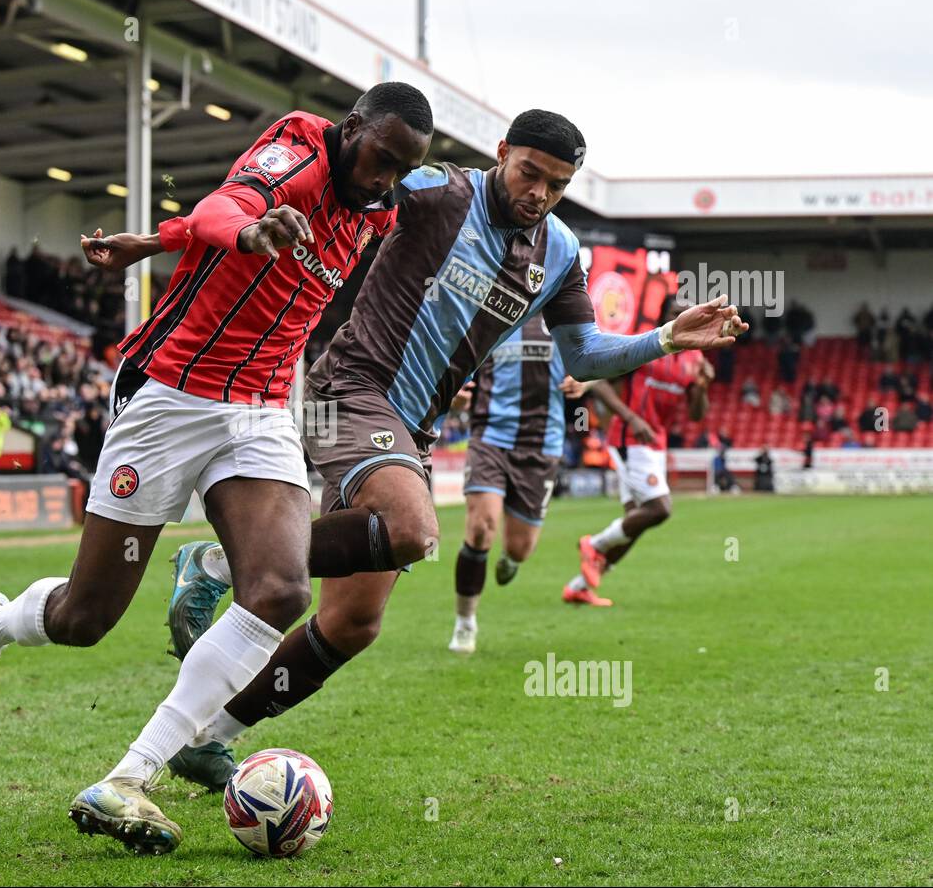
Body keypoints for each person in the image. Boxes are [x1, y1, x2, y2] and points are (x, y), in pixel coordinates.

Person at [155, 111, 747, 791]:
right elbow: (339, 183)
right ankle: (219, 564)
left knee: (352, 624)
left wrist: (665, 338)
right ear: (502, 153)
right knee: (414, 530)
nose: (539, 193)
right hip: (350, 387)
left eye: (557, 185)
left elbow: (583, 352)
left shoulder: (559, 253)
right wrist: (175, 234)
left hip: (415, 430)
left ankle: (209, 736)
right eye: (530, 172)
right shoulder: (437, 190)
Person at [0, 83, 435, 855]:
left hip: (261, 409)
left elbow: (197, 226)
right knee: (85, 618)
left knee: (280, 589)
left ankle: (129, 777)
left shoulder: (379, 213)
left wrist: (156, 241)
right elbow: (221, 210)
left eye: (402, 170)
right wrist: (238, 234)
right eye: (381, 159)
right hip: (172, 393)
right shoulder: (298, 150)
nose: (385, 180)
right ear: (352, 128)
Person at [449, 323, 589, 655]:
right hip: (489, 434)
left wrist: (586, 382)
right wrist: (451, 394)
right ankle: (465, 622)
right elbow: (452, 363)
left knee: (520, 548)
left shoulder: (563, 312)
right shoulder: (491, 311)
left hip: (541, 445)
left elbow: (596, 358)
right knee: (481, 527)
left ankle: (511, 559)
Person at [564, 298, 716, 605]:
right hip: (629, 439)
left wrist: (701, 386)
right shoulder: (647, 348)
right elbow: (600, 381)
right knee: (659, 509)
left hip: (655, 443)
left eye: (683, 314)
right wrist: (631, 418)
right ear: (662, 319)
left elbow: (698, 414)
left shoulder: (693, 359)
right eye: (674, 315)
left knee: (637, 520)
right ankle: (593, 544)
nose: (680, 318)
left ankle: (579, 586)